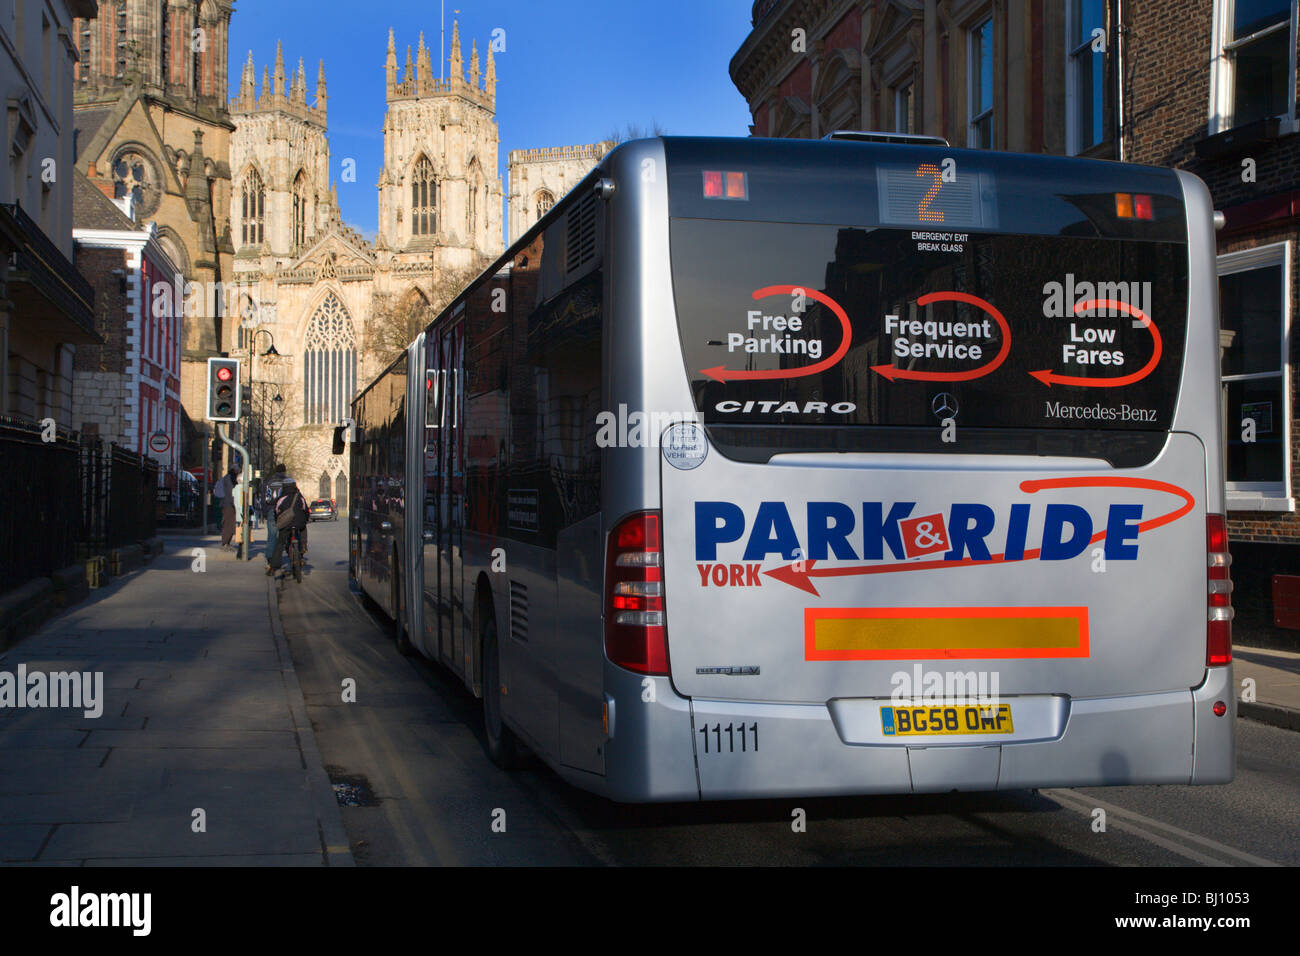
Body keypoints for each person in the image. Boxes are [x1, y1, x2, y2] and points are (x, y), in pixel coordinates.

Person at [266, 476, 309, 576]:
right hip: (298, 522)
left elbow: (277, 510)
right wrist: (306, 518)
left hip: (286, 524)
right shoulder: (299, 496)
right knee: (303, 527)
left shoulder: (282, 497)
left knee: (280, 543)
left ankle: (273, 567)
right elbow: (305, 508)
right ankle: (303, 545)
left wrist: (278, 520)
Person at [217, 464, 241, 549]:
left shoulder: (228, 478)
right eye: (238, 471)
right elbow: (231, 493)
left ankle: (227, 542)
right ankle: (225, 543)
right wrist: (235, 504)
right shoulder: (230, 479)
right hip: (229, 505)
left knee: (229, 524)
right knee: (228, 524)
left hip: (228, 504)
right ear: (235, 470)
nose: (238, 472)